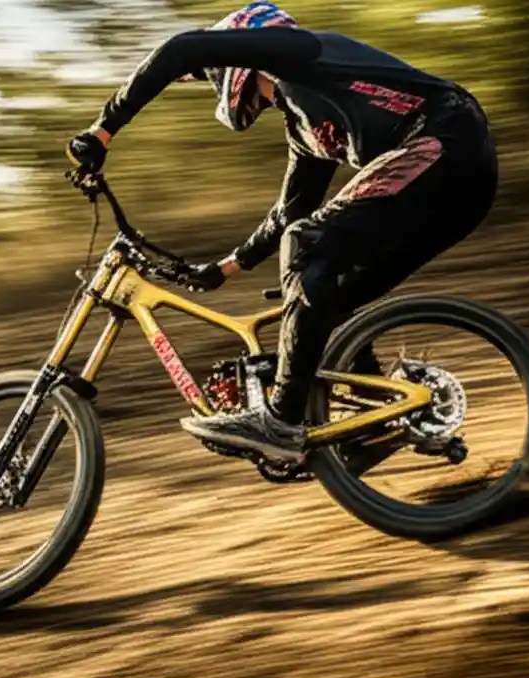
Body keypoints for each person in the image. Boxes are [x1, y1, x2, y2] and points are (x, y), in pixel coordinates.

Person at [66, 1, 497, 463]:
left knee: (308, 243)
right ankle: (374, 424)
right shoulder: (304, 127)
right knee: (328, 291)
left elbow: (181, 48)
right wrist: (226, 268)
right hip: (461, 181)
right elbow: (288, 213)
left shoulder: (303, 53)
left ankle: (282, 420)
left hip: (443, 137)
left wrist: (103, 130)